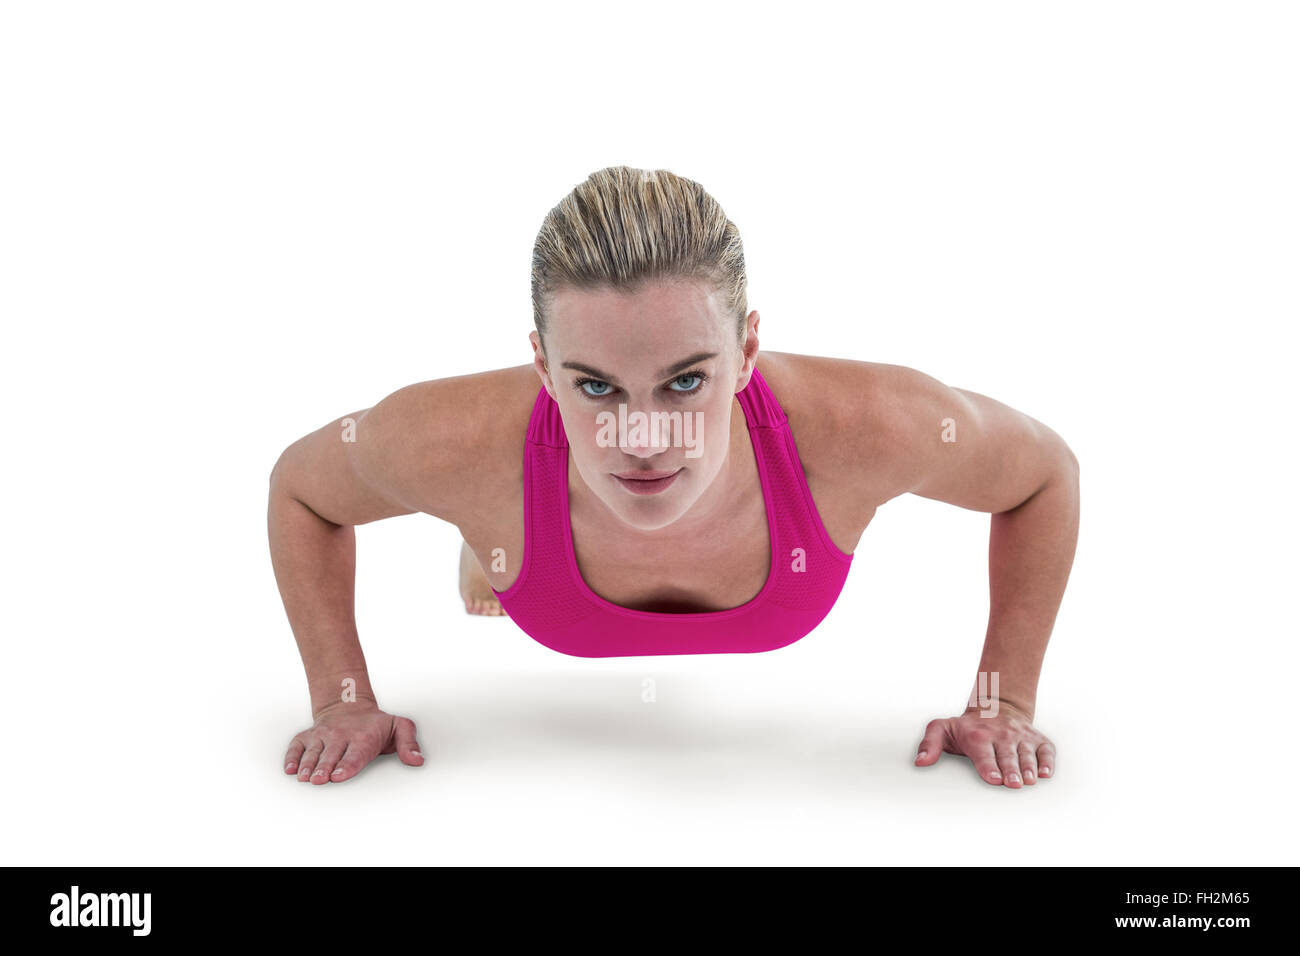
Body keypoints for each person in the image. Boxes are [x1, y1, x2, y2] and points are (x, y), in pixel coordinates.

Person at [267, 166, 1080, 789]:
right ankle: (492, 534)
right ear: (543, 367)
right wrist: (343, 699)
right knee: (485, 486)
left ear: (748, 352)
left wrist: (1001, 703)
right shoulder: (447, 442)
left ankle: (497, 538)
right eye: (596, 386)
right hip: (505, 497)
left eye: (686, 380)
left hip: (520, 504)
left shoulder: (872, 426)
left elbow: (1043, 476)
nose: (645, 438)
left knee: (501, 497)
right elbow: (301, 491)